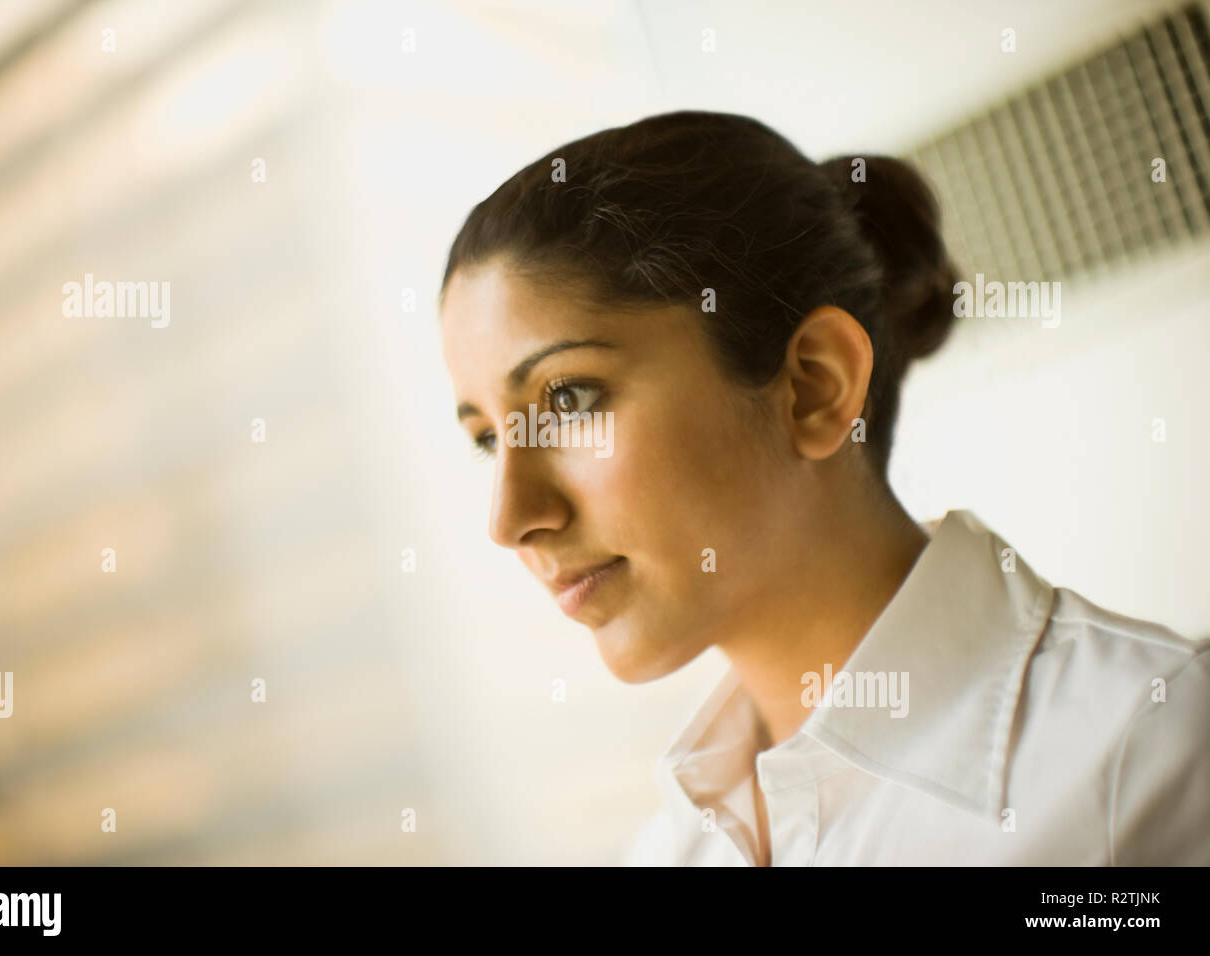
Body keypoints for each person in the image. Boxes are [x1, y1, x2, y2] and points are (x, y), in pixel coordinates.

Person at [435, 110, 1209, 865]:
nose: (510, 518)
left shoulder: (1152, 751)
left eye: (567, 401)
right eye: (485, 438)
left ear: (814, 385)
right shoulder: (668, 851)